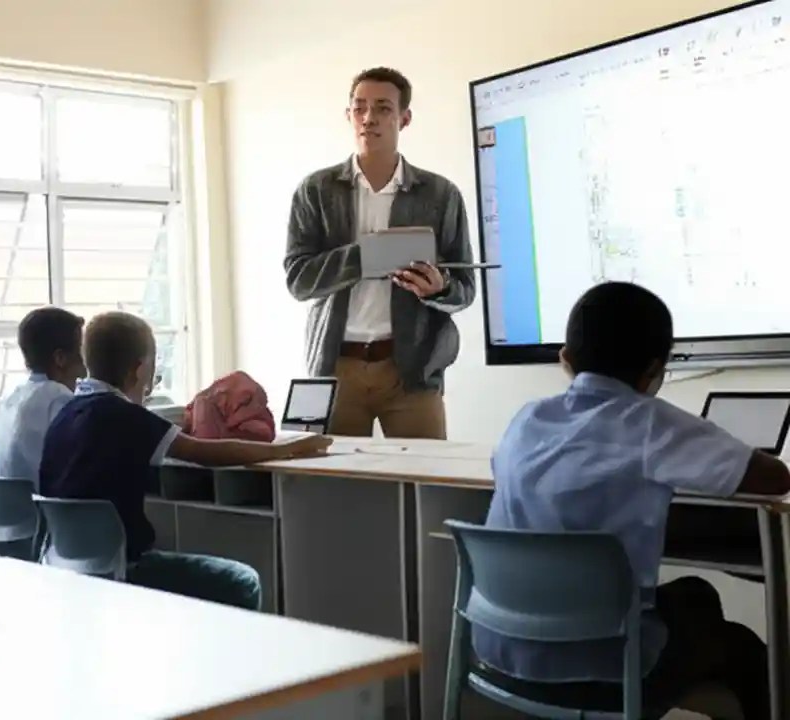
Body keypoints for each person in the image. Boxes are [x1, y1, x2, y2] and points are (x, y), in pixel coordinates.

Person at [475, 281, 788, 720]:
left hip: (500, 655)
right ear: (654, 371)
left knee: (694, 596)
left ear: (566, 359)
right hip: (601, 672)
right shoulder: (647, 422)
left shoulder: (525, 420)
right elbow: (774, 478)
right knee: (746, 651)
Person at [38, 311, 333, 610]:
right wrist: (285, 449)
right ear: (139, 371)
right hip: (124, 569)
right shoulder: (127, 417)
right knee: (242, 581)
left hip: (61, 564)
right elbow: (205, 453)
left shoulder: (63, 416)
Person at [284, 67, 476, 439]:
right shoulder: (315, 191)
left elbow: (465, 287)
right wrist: (369, 255)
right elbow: (298, 281)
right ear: (348, 115)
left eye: (384, 108)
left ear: (404, 119)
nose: (369, 118)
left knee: (424, 482)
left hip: (412, 371)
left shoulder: (440, 195)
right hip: (336, 367)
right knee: (332, 487)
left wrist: (439, 288)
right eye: (360, 107)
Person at [0, 307, 86, 487]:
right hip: (42, 513)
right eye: (82, 350)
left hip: (6, 513)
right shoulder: (58, 398)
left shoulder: (10, 398)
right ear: (60, 358)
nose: (86, 361)